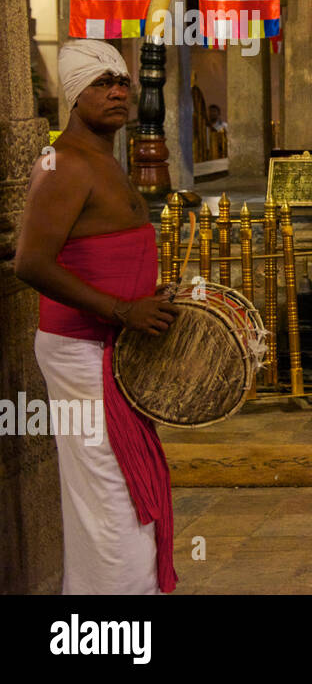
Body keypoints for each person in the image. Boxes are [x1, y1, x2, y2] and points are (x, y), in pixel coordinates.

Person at [15, 39, 181, 594]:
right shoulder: (62, 161)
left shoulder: (101, 157)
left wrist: (147, 296)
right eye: (100, 83)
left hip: (111, 346)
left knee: (123, 488)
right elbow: (30, 262)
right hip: (83, 348)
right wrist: (122, 310)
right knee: (111, 493)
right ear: (73, 95)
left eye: (122, 82)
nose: (116, 92)